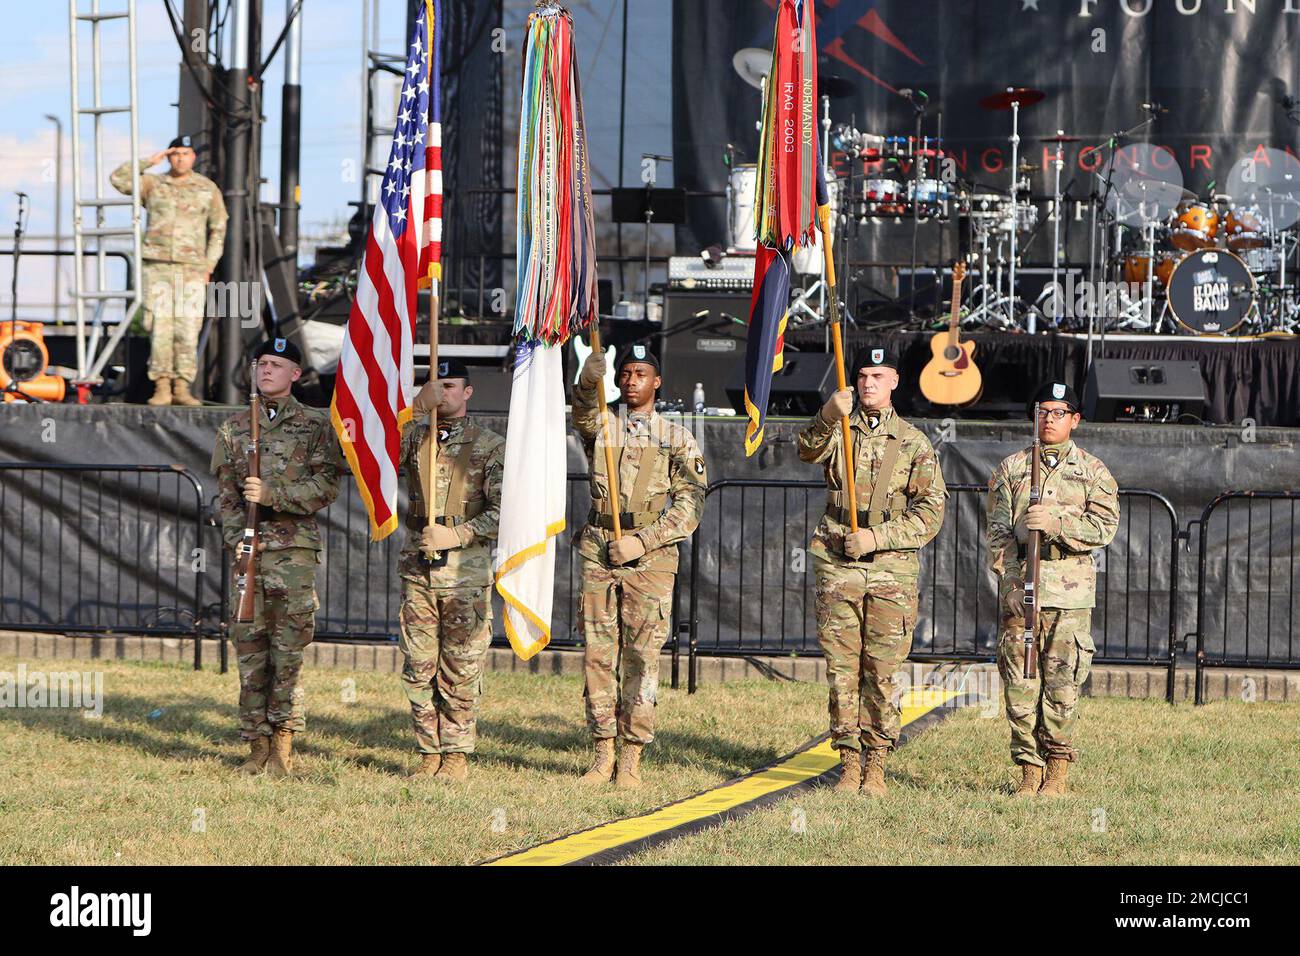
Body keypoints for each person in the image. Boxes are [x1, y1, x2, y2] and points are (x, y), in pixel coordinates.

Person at [797, 345, 946, 796]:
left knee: (882, 668)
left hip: (890, 569)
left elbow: (931, 512)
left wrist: (877, 539)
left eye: (877, 376)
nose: (867, 384)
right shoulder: (840, 428)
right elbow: (805, 451)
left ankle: (877, 763)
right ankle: (847, 760)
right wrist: (826, 413)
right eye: (861, 376)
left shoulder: (915, 443)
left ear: (895, 381)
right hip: (838, 561)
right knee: (842, 668)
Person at [571, 343, 707, 788]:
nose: (631, 381)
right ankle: (602, 750)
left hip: (649, 558)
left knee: (642, 658)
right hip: (599, 550)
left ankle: (631, 754)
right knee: (598, 654)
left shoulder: (676, 438)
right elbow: (583, 414)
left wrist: (641, 542)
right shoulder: (603, 428)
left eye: (641, 374)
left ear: (657, 382)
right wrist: (589, 379)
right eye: (625, 373)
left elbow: (690, 505)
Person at [211, 338, 346, 776]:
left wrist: (274, 495)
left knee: (288, 650)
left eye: (277, 365)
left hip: (294, 554)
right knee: (249, 649)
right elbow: (227, 497)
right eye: (261, 363)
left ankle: (284, 740)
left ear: (295, 375)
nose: (266, 370)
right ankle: (256, 743)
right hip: (251, 555)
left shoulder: (313, 426)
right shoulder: (234, 428)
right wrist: (240, 541)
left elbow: (326, 488)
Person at [987, 380, 1119, 797]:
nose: (1049, 419)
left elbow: (1105, 527)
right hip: (1023, 591)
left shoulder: (1093, 471)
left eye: (1059, 413)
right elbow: (997, 533)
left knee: (1063, 682)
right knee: (1020, 683)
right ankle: (1028, 767)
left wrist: (1057, 525)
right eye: (1043, 411)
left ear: (1075, 421)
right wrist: (1012, 572)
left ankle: (1057, 766)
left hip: (1069, 592)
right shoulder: (1012, 468)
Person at [396, 358, 504, 783]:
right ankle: (428, 750)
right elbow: (373, 452)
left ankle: (456, 753)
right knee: (418, 664)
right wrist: (415, 408)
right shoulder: (414, 440)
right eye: (437, 385)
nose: (444, 393)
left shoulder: (489, 445)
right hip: (418, 571)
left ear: (468, 392)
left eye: (452, 385)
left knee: (461, 664)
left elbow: (504, 512)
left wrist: (456, 536)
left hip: (465, 574)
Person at [110, 135, 227, 406]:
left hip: (192, 268)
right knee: (160, 326)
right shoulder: (153, 184)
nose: (180, 159)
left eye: (185, 153)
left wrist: (209, 264)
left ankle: (182, 386)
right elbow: (118, 179)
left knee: (187, 326)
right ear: (169, 156)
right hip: (158, 266)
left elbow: (218, 228)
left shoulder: (206, 189)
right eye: (175, 154)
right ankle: (161, 386)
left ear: (193, 157)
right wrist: (148, 162)